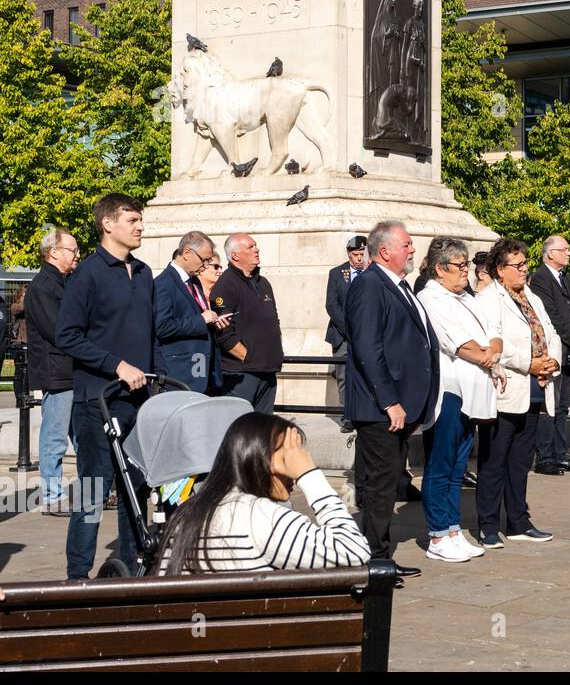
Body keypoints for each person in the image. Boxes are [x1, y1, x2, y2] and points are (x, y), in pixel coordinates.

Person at [55, 194, 157, 579]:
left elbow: (153, 336)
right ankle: (77, 578)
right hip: (96, 402)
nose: (140, 226)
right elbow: (67, 336)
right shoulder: (87, 275)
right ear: (108, 224)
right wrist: (117, 365)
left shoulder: (145, 273)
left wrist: (160, 386)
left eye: (140, 220)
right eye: (132, 220)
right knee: (91, 494)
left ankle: (132, 572)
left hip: (138, 403)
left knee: (138, 491)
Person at [154, 414, 371, 573]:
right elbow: (354, 550)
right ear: (265, 460)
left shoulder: (186, 513)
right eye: (291, 457)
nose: (294, 473)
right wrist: (309, 475)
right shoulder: (261, 517)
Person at [344, 221, 438, 580]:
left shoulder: (398, 285)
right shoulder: (370, 285)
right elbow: (368, 348)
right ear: (385, 251)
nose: (413, 250)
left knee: (386, 486)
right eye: (407, 244)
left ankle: (376, 556)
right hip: (381, 408)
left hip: (400, 407)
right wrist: (390, 401)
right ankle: (376, 562)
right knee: (380, 488)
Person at [416, 238, 501, 562]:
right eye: (460, 266)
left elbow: (493, 331)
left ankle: (452, 529)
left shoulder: (467, 296)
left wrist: (492, 350)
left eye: (467, 265)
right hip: (449, 389)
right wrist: (488, 356)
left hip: (474, 389)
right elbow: (459, 344)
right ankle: (437, 534)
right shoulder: (430, 298)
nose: (466, 271)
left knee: (457, 466)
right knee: (440, 463)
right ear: (440, 269)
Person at [474, 238, 561, 547]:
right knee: (495, 459)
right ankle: (487, 524)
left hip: (536, 390)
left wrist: (551, 363)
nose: (525, 269)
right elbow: (494, 343)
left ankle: (518, 521)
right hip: (507, 389)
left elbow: (550, 333)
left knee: (521, 460)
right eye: (518, 265)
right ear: (500, 269)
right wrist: (530, 364)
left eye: (525, 264)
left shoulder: (532, 297)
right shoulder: (488, 299)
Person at [25, 227, 79, 516]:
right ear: (54, 252)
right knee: (55, 438)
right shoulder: (43, 286)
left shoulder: (63, 282)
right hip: (57, 372)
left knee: (83, 438)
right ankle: (52, 496)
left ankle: (94, 492)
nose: (77, 255)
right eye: (72, 250)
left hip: (72, 370)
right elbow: (60, 331)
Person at [529, 235, 570, 475]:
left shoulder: (565, 279)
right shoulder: (540, 279)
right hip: (555, 349)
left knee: (563, 405)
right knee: (549, 405)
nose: (569, 253)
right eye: (564, 249)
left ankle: (560, 454)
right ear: (550, 253)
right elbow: (550, 314)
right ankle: (545, 458)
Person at [212, 234, 284, 414]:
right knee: (238, 428)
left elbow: (273, 320)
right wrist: (249, 358)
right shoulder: (226, 284)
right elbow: (224, 333)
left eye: (256, 246)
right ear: (235, 255)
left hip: (267, 370)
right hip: (243, 374)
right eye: (250, 247)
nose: (257, 249)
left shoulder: (263, 282)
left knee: (261, 431)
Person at [154, 231, 229, 394]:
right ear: (187, 253)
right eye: (205, 259)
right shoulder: (163, 284)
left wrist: (213, 323)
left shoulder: (194, 281)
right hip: (181, 374)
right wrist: (201, 321)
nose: (206, 265)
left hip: (203, 371)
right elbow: (162, 326)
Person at [325, 236, 370, 431]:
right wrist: (350, 329)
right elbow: (331, 304)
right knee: (343, 376)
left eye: (362, 254)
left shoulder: (373, 273)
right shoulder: (336, 273)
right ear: (348, 254)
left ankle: (365, 414)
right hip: (343, 335)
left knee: (367, 374)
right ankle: (348, 416)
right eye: (355, 254)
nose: (359, 258)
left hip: (368, 335)